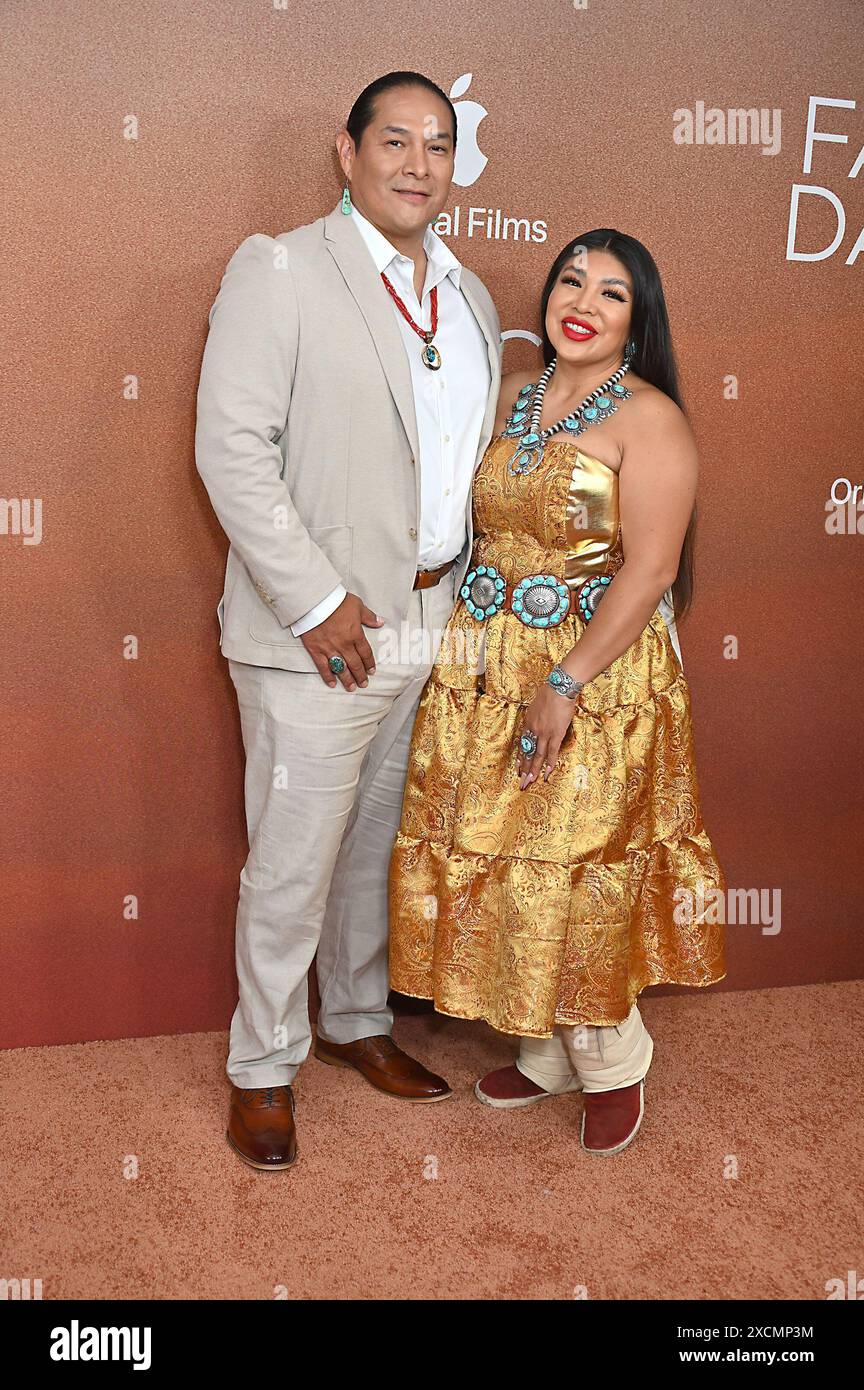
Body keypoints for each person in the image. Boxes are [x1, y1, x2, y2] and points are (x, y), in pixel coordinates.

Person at [194, 71, 502, 1170]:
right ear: (348, 150)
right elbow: (232, 449)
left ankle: (357, 1020)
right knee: (292, 860)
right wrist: (318, 602)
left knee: (374, 843)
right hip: (316, 628)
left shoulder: (469, 296)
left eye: (438, 144)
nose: (418, 164)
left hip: (429, 615)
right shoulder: (280, 268)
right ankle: (262, 1066)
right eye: (396, 141)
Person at [388, 230, 727, 1156]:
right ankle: (543, 1052)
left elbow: (650, 570)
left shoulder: (651, 420)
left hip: (593, 672)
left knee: (573, 858)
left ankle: (613, 1061)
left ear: (637, 320)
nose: (584, 302)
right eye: (572, 280)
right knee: (504, 849)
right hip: (484, 666)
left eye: (612, 293)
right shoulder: (511, 395)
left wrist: (566, 682)